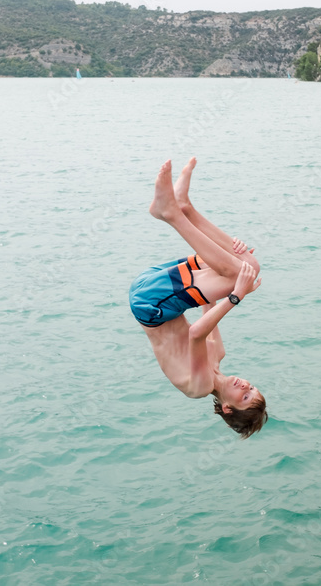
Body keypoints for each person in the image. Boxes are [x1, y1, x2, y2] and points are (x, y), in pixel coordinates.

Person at [130, 158, 267, 438]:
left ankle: (172, 213)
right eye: (252, 388)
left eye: (244, 397)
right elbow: (207, 305)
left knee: (238, 276)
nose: (246, 387)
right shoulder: (218, 355)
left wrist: (237, 295)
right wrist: (233, 252)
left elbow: (195, 333)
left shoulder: (200, 386)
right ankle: (185, 207)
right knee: (249, 266)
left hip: (151, 305)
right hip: (158, 292)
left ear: (227, 408)